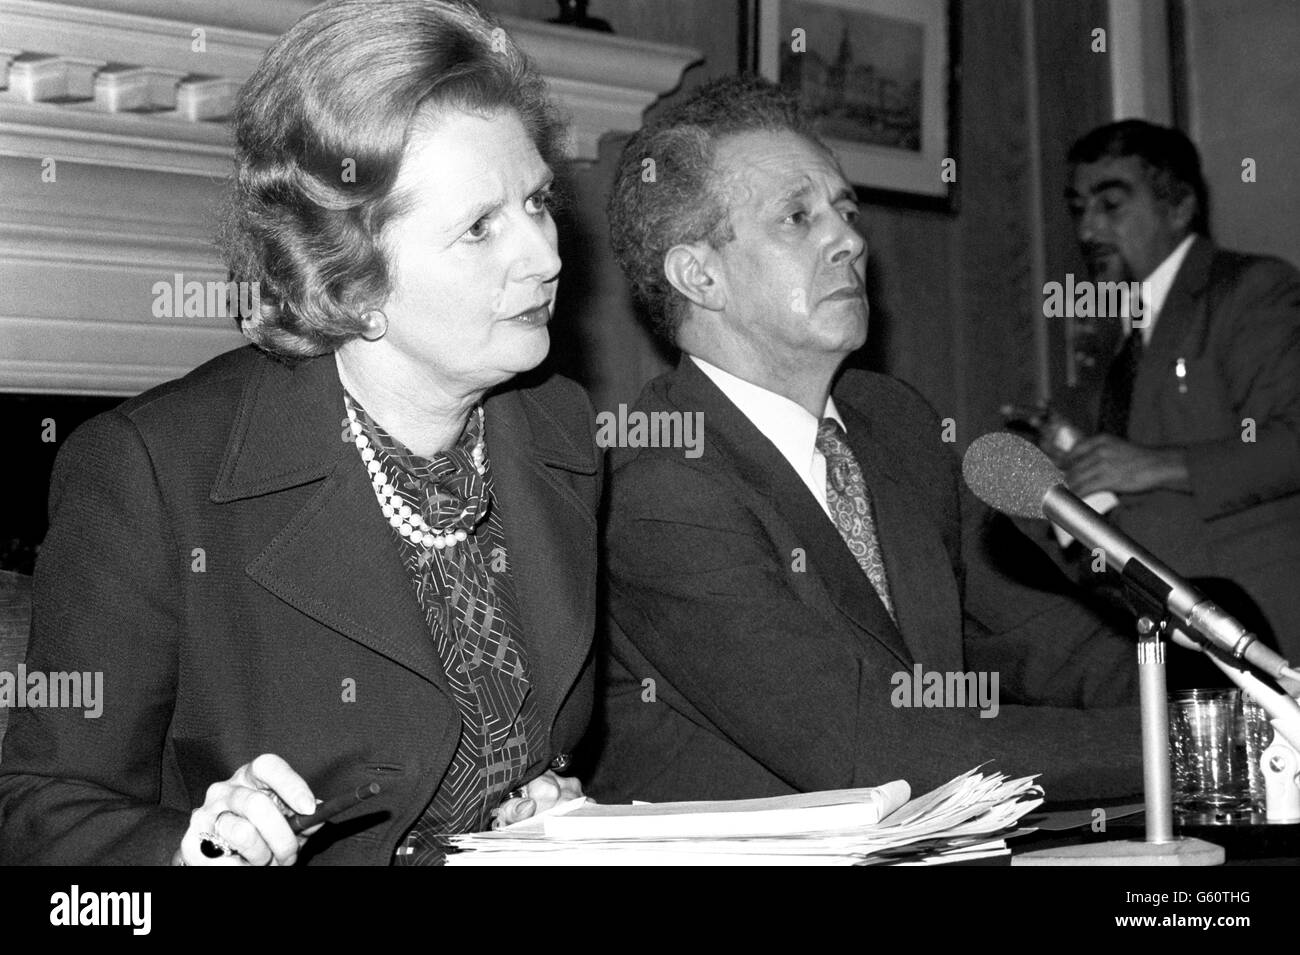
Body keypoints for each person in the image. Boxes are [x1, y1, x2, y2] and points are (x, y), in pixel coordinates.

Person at [0, 0, 599, 866]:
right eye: (480, 227)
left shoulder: (558, 428)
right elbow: (37, 813)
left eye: (536, 200)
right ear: (351, 283)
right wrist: (195, 848)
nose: (544, 254)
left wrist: (542, 808)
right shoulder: (157, 471)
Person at [585, 76, 1145, 806]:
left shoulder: (896, 425)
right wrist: (1171, 747)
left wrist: (1223, 710)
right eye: (797, 217)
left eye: (845, 210)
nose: (850, 239)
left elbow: (1045, 641)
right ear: (700, 275)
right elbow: (870, 745)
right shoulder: (658, 487)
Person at [1061, 120, 1300, 662]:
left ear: (1179, 206)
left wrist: (1158, 465)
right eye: (1078, 208)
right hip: (1165, 638)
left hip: (1262, 635)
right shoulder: (1120, 330)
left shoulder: (1252, 289)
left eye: (1111, 205)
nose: (1087, 230)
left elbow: (1293, 443)